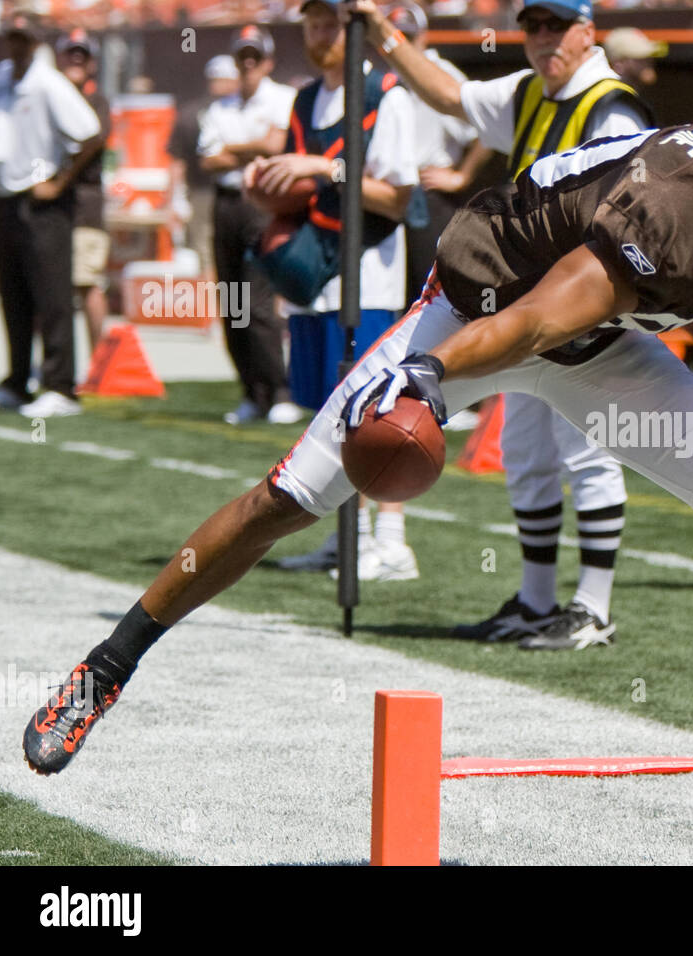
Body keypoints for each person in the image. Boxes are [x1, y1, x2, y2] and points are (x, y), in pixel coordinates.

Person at [23, 45, 693, 817]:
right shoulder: (674, 208)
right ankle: (104, 667)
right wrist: (429, 366)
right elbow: (535, 320)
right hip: (478, 312)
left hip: (594, 341)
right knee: (288, 496)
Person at [362, 0, 653, 649]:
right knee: (525, 453)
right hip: (525, 307)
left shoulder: (613, 106)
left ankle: (594, 606)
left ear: (587, 30)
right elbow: (448, 92)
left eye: (557, 24)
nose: (544, 37)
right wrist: (382, 31)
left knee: (588, 451)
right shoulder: (530, 92)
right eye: (533, 24)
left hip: (586, 310)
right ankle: (536, 599)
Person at [262, 0, 419, 582]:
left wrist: (321, 170)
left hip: (367, 274)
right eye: (312, 23)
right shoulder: (306, 98)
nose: (320, 33)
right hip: (318, 271)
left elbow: (397, 196)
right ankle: (345, 536)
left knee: (374, 413)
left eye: (330, 23)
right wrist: (274, 183)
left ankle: (393, 542)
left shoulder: (386, 93)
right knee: (325, 413)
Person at [0, 9, 102, 418]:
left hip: (44, 203)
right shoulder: (3, 78)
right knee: (13, 295)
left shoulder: (48, 82)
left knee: (52, 294)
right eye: (11, 38)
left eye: (23, 39)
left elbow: (90, 133)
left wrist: (59, 180)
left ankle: (60, 385)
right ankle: (17, 381)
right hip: (6, 198)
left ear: (35, 42)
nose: (15, 45)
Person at [197, 25, 303, 426]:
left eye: (254, 57)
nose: (248, 65)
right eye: (243, 57)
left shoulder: (281, 97)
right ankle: (252, 390)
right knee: (232, 299)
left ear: (268, 61)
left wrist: (232, 150)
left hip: (263, 203)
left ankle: (279, 388)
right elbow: (208, 160)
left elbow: (275, 145)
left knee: (257, 300)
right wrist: (250, 147)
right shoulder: (221, 107)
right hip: (226, 204)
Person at [385, 1, 492, 304]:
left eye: (409, 35)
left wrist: (461, 176)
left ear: (424, 36)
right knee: (398, 295)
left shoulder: (441, 73)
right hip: (391, 197)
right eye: (395, 36)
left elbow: (488, 128)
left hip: (430, 197)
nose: (401, 44)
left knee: (429, 295)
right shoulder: (388, 77)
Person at [56, 29, 112, 357]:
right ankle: (54, 364)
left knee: (86, 282)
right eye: (71, 52)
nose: (76, 59)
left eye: (83, 54)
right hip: (52, 207)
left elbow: (90, 143)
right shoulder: (49, 96)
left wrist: (59, 179)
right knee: (48, 289)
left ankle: (98, 363)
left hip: (84, 205)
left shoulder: (97, 100)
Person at [169, 55, 239, 276]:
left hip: (229, 192)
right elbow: (178, 162)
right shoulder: (202, 114)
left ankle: (229, 308)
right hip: (209, 193)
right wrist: (175, 199)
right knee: (212, 254)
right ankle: (220, 310)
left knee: (214, 252)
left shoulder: (239, 109)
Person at [602, 26, 666, 95]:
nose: (649, 61)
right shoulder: (609, 98)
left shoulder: (629, 96)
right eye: (640, 57)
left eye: (649, 56)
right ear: (619, 64)